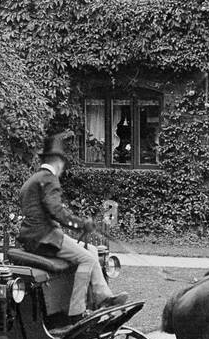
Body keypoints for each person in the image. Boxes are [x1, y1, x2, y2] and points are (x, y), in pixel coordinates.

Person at [18, 131, 127, 327]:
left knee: (92, 250)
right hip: (44, 237)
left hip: (33, 237)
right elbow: (55, 210)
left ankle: (103, 296)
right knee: (87, 258)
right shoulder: (49, 179)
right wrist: (80, 224)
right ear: (58, 162)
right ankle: (77, 312)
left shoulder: (31, 180)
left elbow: (46, 209)